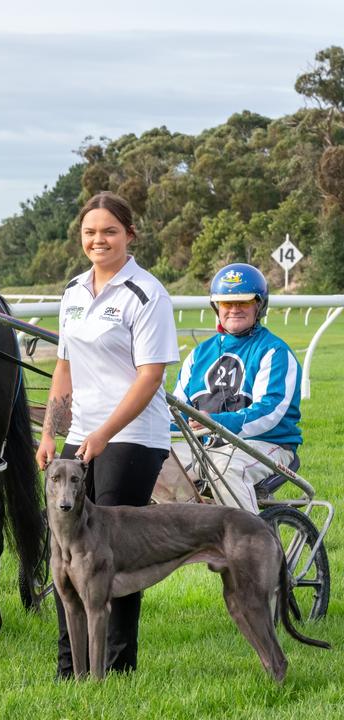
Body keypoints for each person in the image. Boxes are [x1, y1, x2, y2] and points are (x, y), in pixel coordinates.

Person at [35, 191, 179, 678]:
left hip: (134, 435)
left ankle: (117, 668)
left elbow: (150, 376)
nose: (99, 240)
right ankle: (69, 668)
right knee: (66, 551)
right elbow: (63, 367)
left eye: (109, 231)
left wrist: (103, 434)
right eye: (90, 232)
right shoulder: (74, 291)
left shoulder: (146, 293)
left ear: (129, 235)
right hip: (81, 436)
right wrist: (54, 433)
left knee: (109, 554)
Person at [170, 263, 301, 514]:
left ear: (259, 305)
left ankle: (249, 547)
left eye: (243, 302)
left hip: (266, 445)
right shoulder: (199, 355)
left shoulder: (274, 352)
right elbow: (176, 409)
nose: (234, 310)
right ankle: (190, 535)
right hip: (207, 446)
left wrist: (217, 422)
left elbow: (270, 412)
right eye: (227, 303)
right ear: (216, 307)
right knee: (156, 464)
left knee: (225, 467)